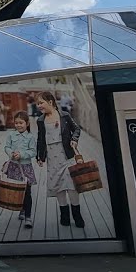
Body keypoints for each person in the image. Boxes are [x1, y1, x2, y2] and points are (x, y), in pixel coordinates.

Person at [35, 91, 85, 229]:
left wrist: (74, 140)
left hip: (67, 155)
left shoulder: (64, 116)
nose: (39, 106)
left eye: (41, 103)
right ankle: (64, 215)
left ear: (50, 102)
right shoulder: (40, 120)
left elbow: (76, 129)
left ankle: (77, 215)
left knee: (72, 186)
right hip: (52, 157)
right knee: (58, 186)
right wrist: (40, 156)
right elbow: (40, 140)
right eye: (37, 103)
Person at [2, 111, 37, 228]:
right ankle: (21, 209)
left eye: (21, 123)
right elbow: (6, 147)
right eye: (16, 123)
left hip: (26, 167)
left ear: (27, 123)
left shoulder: (30, 137)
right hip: (14, 167)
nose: (18, 125)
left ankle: (28, 216)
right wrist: (10, 153)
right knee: (18, 190)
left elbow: (33, 151)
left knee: (27, 192)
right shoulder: (11, 135)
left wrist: (21, 154)